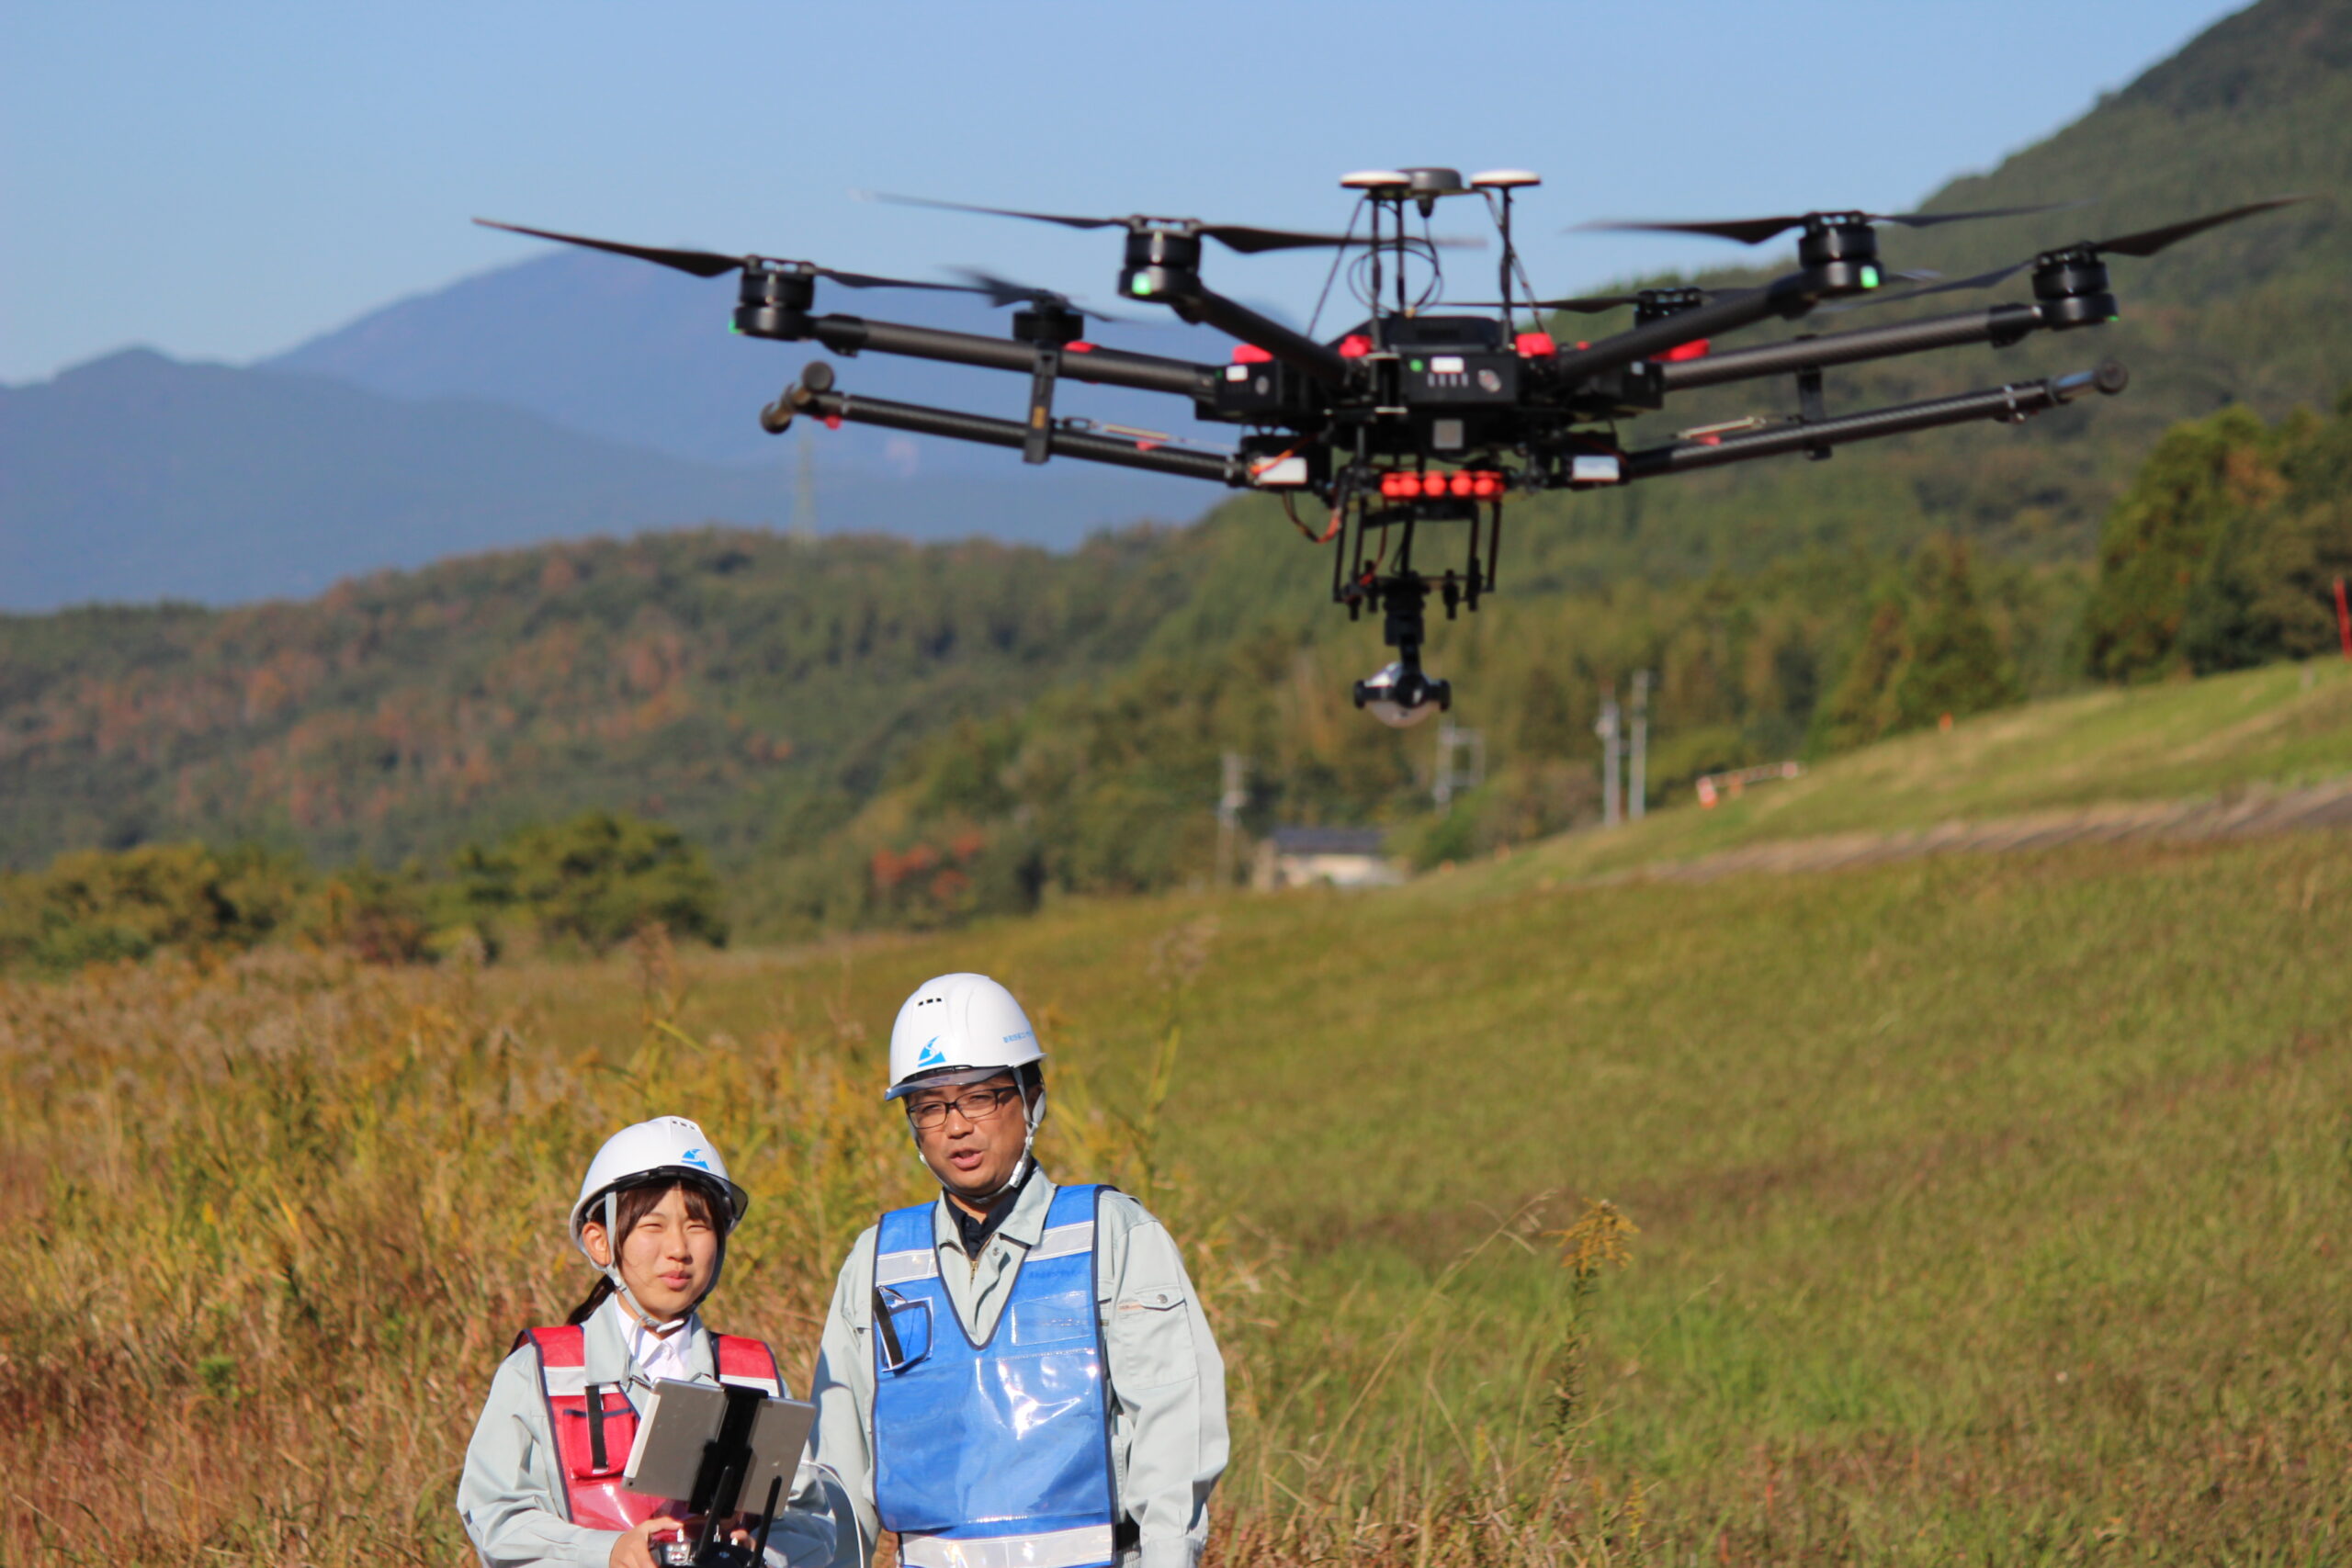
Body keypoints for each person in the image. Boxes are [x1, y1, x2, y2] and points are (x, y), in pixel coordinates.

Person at [808, 973, 1227, 1568]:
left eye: (980, 1097)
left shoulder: (1113, 1236)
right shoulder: (875, 1262)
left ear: (1032, 1098)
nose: (956, 1125)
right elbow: (838, 1471)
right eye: (929, 1106)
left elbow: (1174, 1437)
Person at [459, 1116, 851, 1568]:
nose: (678, 1249)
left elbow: (809, 1521)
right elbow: (495, 1519)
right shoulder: (538, 1372)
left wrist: (760, 1553)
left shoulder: (753, 1375)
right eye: (653, 1225)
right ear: (599, 1242)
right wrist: (607, 1552)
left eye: (698, 1226)